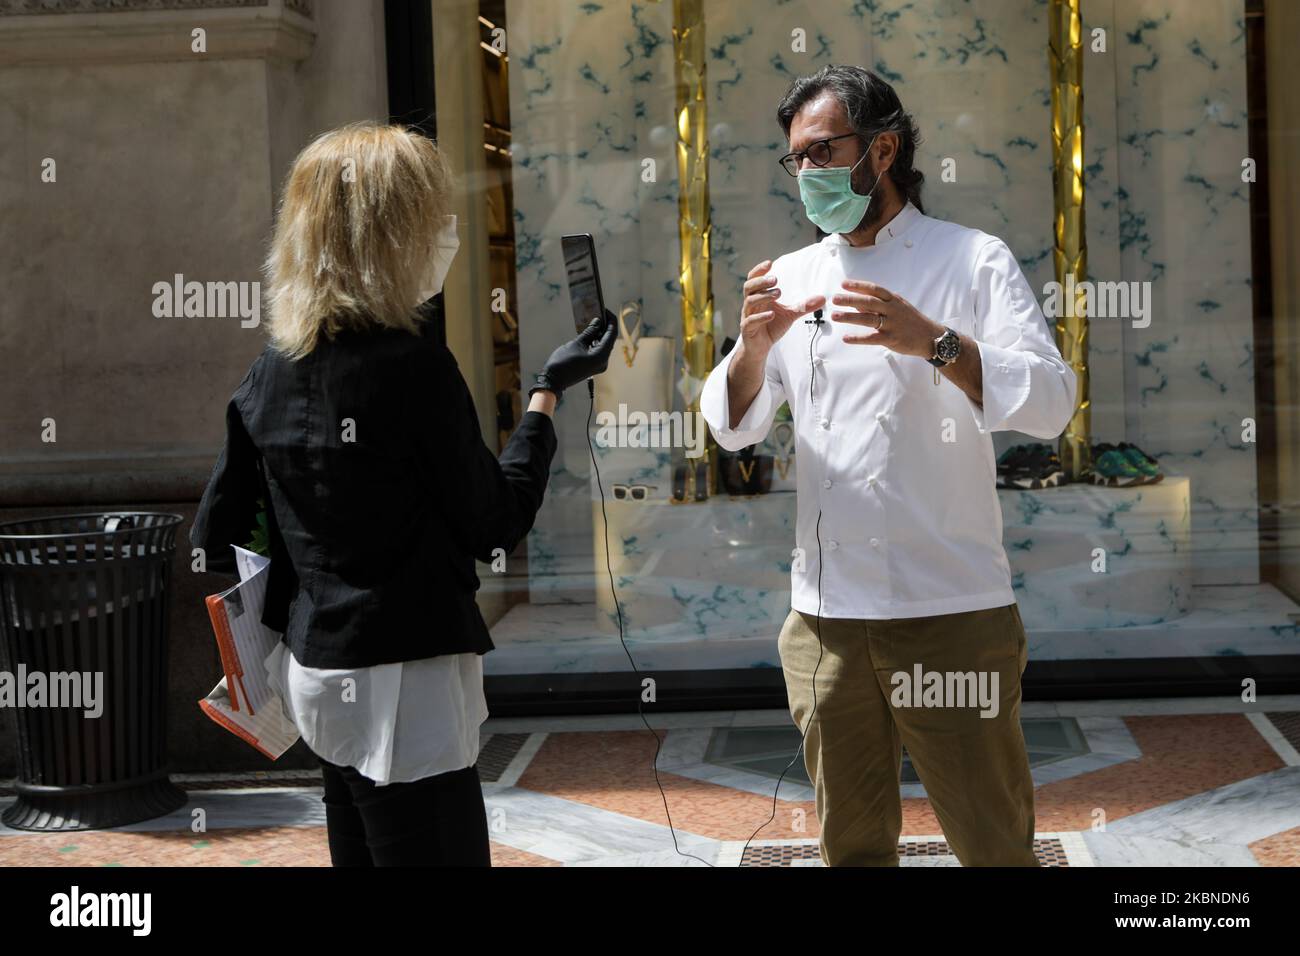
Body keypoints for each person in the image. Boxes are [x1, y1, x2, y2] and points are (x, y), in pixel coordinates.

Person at [191, 122, 616, 866]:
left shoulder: (270, 371)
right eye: (431, 217)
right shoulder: (414, 369)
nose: (446, 234)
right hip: (407, 687)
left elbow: (221, 527)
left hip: (317, 673)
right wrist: (547, 393)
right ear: (393, 236)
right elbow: (495, 520)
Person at [700, 65, 1078, 866]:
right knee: (852, 844)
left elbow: (1051, 401)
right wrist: (752, 349)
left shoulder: (971, 261)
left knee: (992, 838)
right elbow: (732, 427)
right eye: (794, 159)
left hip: (951, 611)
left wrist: (934, 342)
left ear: (883, 150)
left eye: (822, 151)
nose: (806, 173)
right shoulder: (790, 279)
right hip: (827, 622)